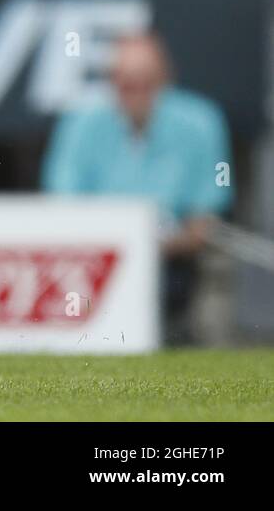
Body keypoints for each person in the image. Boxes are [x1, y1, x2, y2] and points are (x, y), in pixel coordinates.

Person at [42, 32, 232, 343]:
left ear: (165, 81)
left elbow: (205, 219)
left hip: (175, 260)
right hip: (95, 259)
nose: (137, 94)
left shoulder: (201, 122)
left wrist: (151, 243)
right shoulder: (80, 123)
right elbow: (64, 205)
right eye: (126, 84)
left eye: (147, 83)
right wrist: (124, 240)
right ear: (111, 82)